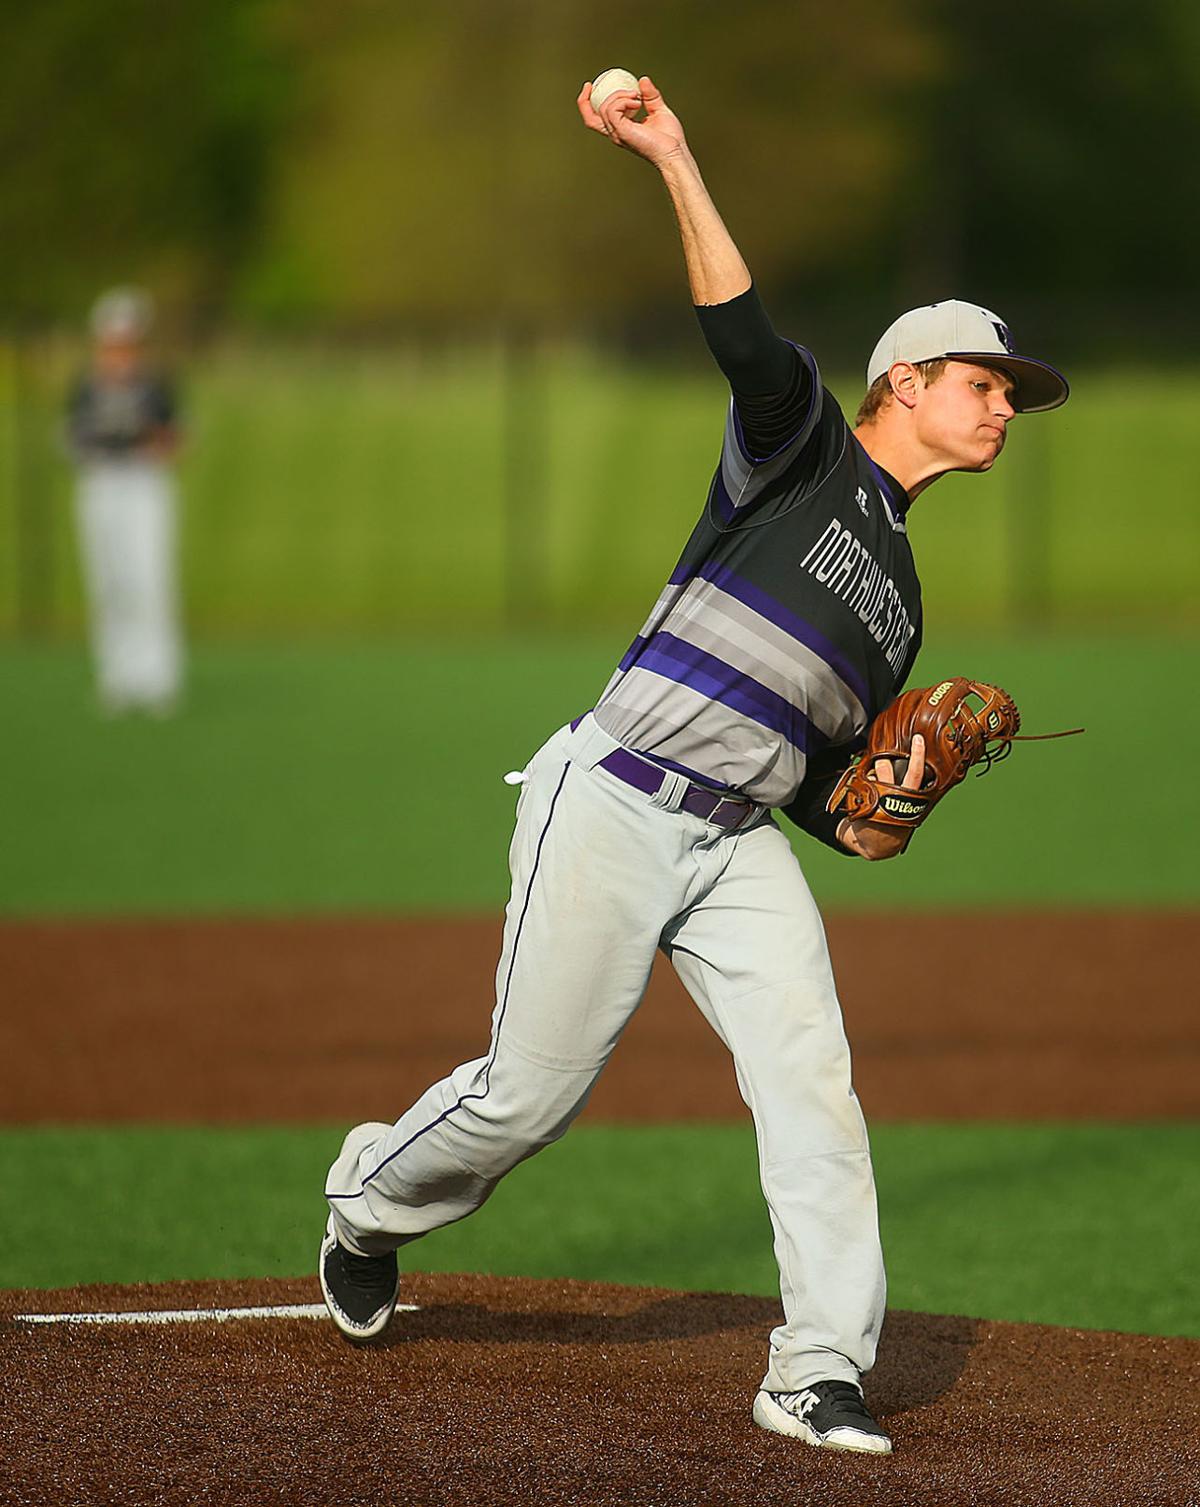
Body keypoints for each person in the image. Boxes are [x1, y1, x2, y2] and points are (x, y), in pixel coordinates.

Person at [318, 76, 1068, 1456]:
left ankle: (817, 1364)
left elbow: (823, 800)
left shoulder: (902, 600)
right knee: (523, 1096)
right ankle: (368, 1200)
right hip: (611, 795)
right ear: (907, 380)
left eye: (1011, 392)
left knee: (816, 1082)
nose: (1005, 407)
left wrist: (893, 801)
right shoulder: (802, 446)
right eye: (986, 383)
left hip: (736, 844)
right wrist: (672, 153)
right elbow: (739, 324)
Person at [66, 287, 184, 716]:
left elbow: (176, 438)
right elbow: (72, 438)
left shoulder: (155, 384)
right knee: (107, 578)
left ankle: (157, 678)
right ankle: (116, 675)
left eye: (128, 339)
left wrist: (152, 440)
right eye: (114, 340)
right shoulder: (86, 385)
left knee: (150, 576)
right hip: (100, 482)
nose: (121, 349)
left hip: (144, 482)